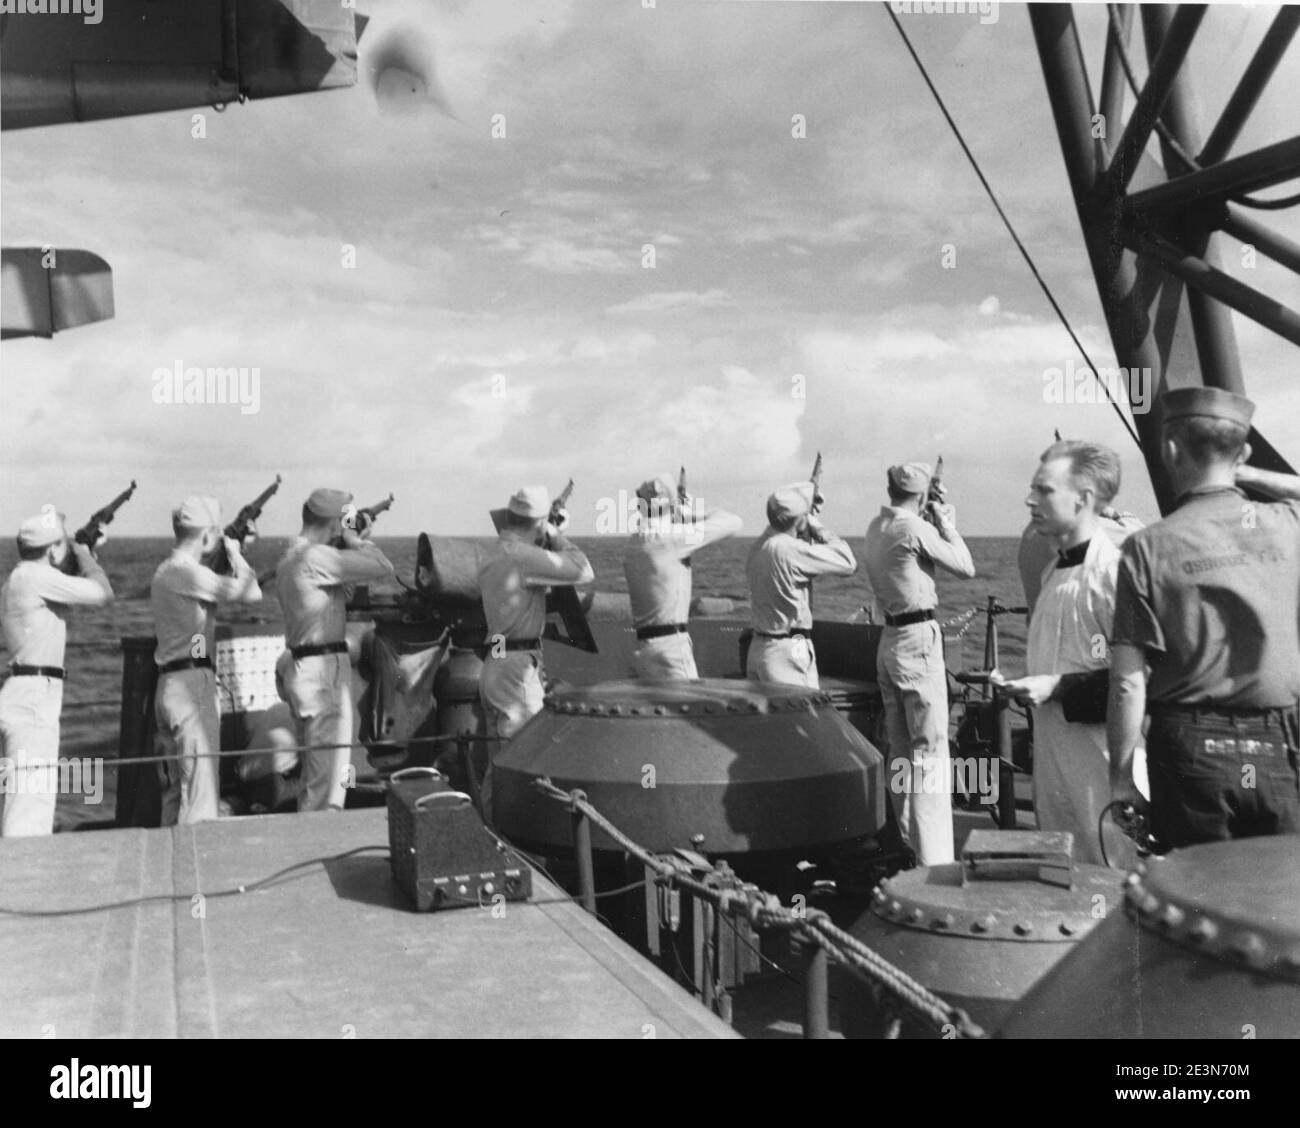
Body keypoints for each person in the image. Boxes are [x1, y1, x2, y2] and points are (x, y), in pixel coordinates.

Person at [1108, 387, 1300, 849]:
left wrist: (1120, 777)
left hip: (1191, 750)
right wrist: (1242, 467)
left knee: (1196, 899)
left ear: (1171, 451)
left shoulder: (1146, 546)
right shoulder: (1288, 523)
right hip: (1281, 741)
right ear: (1243, 452)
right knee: (1284, 900)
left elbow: (1127, 682)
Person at [997, 441, 1145, 865]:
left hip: (1103, 769)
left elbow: (1139, 679)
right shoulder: (1053, 571)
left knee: (1118, 878)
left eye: (1044, 491)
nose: (1030, 500)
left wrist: (1057, 685)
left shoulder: (1112, 573)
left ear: (1082, 500)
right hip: (1058, 763)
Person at [863, 462, 975, 866]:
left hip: (889, 641)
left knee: (900, 751)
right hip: (918, 644)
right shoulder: (915, 529)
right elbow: (965, 567)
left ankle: (910, 845)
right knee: (930, 753)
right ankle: (936, 862)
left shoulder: (877, 527)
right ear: (924, 495)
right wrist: (945, 522)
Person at [275, 488, 395, 813]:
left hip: (309, 668)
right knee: (327, 789)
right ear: (332, 521)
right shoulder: (314, 558)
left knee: (319, 778)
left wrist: (342, 545)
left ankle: (314, 841)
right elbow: (382, 566)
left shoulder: (292, 556)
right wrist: (356, 543)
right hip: (323, 675)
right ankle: (316, 850)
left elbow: (345, 592)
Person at [0, 512, 114, 837]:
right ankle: (23, 881)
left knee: (25, 798)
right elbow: (104, 593)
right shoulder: (36, 578)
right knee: (28, 808)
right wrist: (81, 552)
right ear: (52, 551)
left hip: (28, 692)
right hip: (34, 699)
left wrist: (85, 553)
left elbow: (76, 592)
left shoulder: (21, 578)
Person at [478, 486, 593, 804]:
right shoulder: (523, 558)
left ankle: (488, 837)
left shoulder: (497, 553)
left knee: (499, 765)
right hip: (515, 672)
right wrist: (555, 534)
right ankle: (513, 845)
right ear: (539, 522)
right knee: (524, 766)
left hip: (496, 659)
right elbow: (584, 571)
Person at [150, 496, 262, 825]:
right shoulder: (188, 574)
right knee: (200, 796)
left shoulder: (166, 572)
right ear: (208, 535)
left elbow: (202, 620)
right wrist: (237, 552)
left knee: (175, 795)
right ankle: (194, 875)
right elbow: (251, 592)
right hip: (191, 690)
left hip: (170, 683)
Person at [623, 475, 742, 679]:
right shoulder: (672, 538)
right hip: (671, 649)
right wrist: (687, 513)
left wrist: (674, 511)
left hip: (644, 647)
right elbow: (733, 522)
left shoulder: (635, 541)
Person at [745, 480, 856, 688]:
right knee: (802, 715)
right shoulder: (789, 550)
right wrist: (816, 525)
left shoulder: (758, 548)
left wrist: (802, 512)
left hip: (759, 647)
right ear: (799, 520)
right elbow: (848, 562)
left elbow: (780, 527)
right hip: (791, 645)